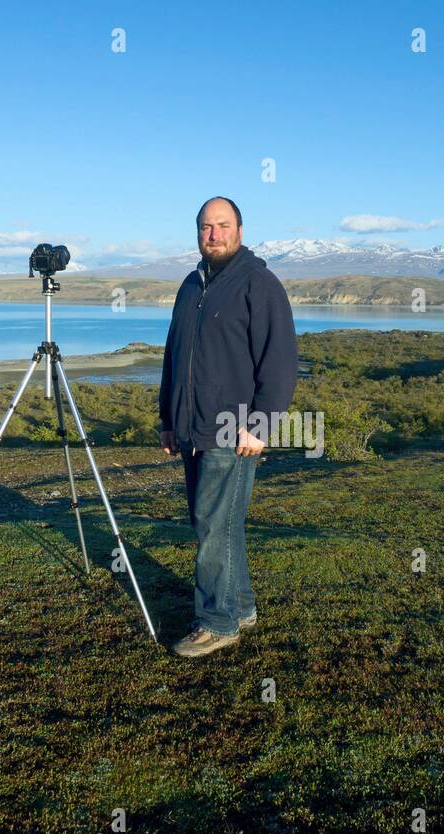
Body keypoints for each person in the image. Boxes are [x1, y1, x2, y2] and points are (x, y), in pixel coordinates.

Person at [158, 196, 298, 657]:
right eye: (205, 227)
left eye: (221, 225)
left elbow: (279, 362)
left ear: (239, 229)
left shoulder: (258, 283)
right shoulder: (190, 285)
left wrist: (258, 425)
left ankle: (218, 622)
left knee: (212, 526)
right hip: (193, 428)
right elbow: (174, 355)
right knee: (221, 522)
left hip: (232, 430)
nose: (212, 234)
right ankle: (239, 606)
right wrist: (168, 419)